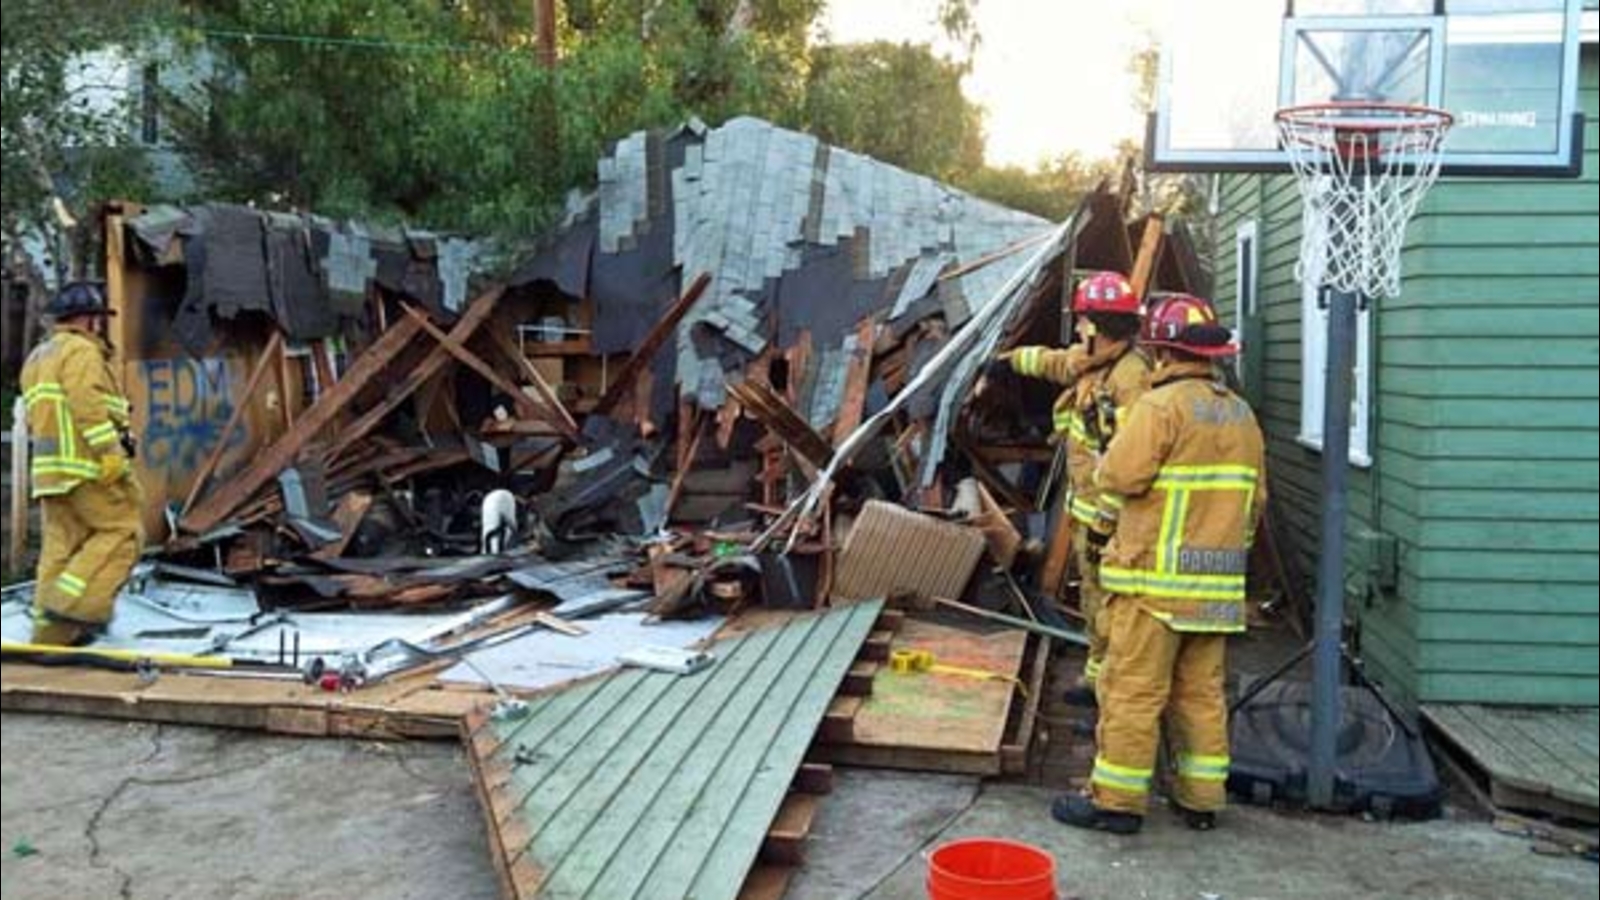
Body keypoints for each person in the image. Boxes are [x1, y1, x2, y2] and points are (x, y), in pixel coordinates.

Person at [1052, 294, 1266, 835]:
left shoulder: (1160, 406)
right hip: (1215, 590)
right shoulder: (1242, 415)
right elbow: (1254, 503)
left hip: (1153, 587)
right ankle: (1201, 799)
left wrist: (1101, 474)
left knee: (1132, 692)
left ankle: (1116, 804)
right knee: (1199, 696)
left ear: (1164, 353)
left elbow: (1119, 477)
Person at [994, 271, 1151, 704]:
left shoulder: (1130, 379)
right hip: (1089, 510)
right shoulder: (1097, 362)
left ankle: (1112, 692)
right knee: (1095, 600)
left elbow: (1133, 460)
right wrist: (1006, 361)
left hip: (1112, 519)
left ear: (1098, 326)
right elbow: (1056, 362)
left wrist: (1107, 519)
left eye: (1082, 321)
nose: (1078, 328)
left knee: (1112, 605)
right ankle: (1098, 680)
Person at [19, 281, 143, 646]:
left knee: (60, 549)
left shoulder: (38, 357)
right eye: (98, 319)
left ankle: (49, 634)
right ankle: (81, 608)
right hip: (87, 467)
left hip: (50, 473)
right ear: (89, 321)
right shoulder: (81, 352)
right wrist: (110, 452)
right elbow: (84, 403)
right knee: (123, 532)